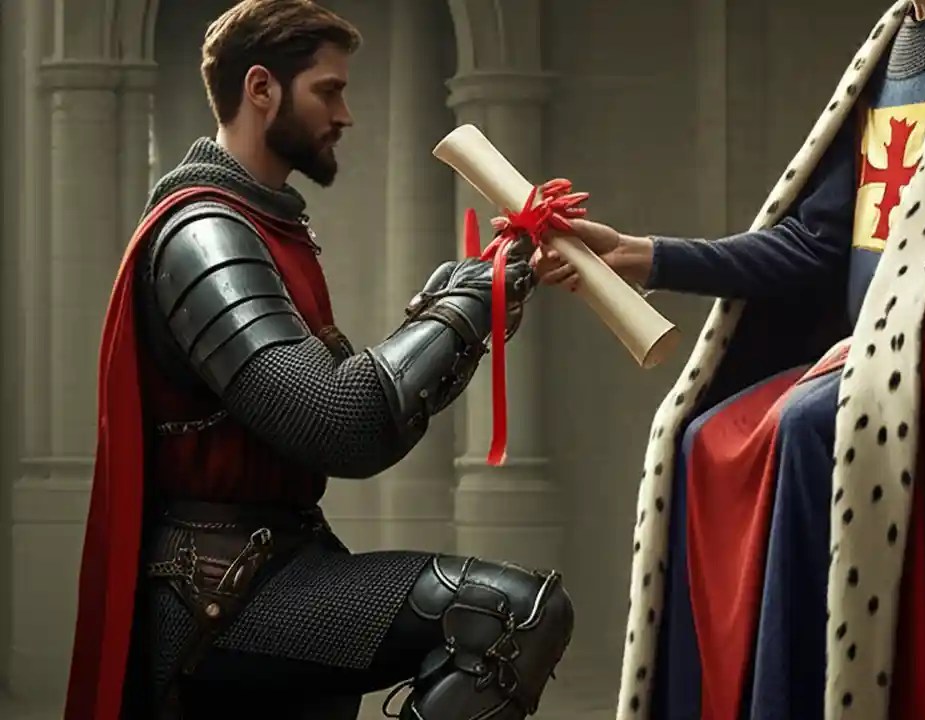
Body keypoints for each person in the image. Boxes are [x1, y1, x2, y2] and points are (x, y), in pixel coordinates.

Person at [533, 0, 925, 718]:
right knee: (699, 438)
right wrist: (643, 256)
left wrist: (895, 339)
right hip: (879, 360)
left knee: (808, 427)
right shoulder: (895, 44)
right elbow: (816, 243)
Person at [64, 2, 573, 718]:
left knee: (513, 612)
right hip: (218, 590)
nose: (344, 114)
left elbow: (364, 421)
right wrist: (463, 307)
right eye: (328, 91)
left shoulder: (259, 224)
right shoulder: (205, 235)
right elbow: (339, 424)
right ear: (261, 88)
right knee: (509, 616)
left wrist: (473, 304)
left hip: (271, 564)